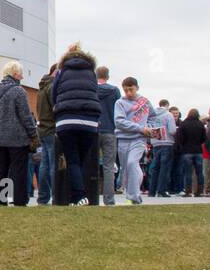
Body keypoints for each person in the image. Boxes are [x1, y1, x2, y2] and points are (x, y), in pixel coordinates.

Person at [50, 44, 102, 205]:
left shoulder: (62, 71)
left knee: (72, 160)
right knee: (81, 159)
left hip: (67, 120)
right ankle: (77, 197)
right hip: (90, 122)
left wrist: (57, 109)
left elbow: (53, 94)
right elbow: (95, 93)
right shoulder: (91, 72)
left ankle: (79, 196)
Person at [0, 61, 38, 206]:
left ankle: (0, 200)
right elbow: (26, 116)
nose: (22, 76)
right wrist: (33, 134)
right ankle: (19, 200)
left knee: (0, 170)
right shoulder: (18, 91)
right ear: (15, 74)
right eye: (21, 73)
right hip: (16, 138)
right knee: (18, 170)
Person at [114, 77, 161, 205]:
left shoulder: (145, 102)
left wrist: (150, 128)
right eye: (126, 90)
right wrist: (140, 128)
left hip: (139, 140)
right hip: (123, 139)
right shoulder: (119, 103)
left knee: (131, 163)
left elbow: (154, 118)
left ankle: (133, 196)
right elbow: (119, 122)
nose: (128, 93)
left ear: (137, 88)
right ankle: (133, 194)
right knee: (127, 168)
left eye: (131, 90)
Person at [95, 66, 120, 206]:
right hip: (110, 130)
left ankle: (92, 197)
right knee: (109, 166)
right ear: (108, 76)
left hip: (94, 130)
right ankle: (109, 200)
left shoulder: (91, 89)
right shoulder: (115, 91)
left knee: (91, 164)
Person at [35, 64, 58, 205]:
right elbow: (56, 108)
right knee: (53, 165)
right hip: (51, 129)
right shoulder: (52, 87)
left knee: (44, 164)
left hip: (42, 129)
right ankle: (57, 196)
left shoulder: (42, 88)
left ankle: (43, 197)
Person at [175, 108, 207, 196]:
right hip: (198, 151)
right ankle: (200, 191)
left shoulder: (183, 124)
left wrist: (182, 147)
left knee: (188, 172)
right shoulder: (200, 124)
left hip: (187, 151)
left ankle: (188, 191)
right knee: (199, 172)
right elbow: (204, 138)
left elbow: (179, 138)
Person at [148, 98, 176, 197]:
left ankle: (151, 191)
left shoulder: (152, 115)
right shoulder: (168, 115)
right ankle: (161, 190)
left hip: (155, 143)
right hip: (167, 143)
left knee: (155, 168)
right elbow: (172, 130)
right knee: (164, 168)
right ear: (167, 106)